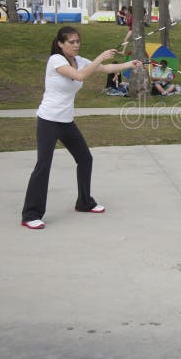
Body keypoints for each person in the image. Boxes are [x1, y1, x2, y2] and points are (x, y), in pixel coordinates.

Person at [21, 27, 142, 230]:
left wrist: (129, 64)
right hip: (48, 121)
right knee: (43, 165)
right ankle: (30, 214)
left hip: (66, 121)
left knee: (85, 159)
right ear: (60, 44)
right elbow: (79, 76)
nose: (76, 45)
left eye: (78, 41)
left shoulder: (79, 60)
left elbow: (104, 69)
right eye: (71, 42)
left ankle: (84, 202)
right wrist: (100, 56)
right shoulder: (56, 60)